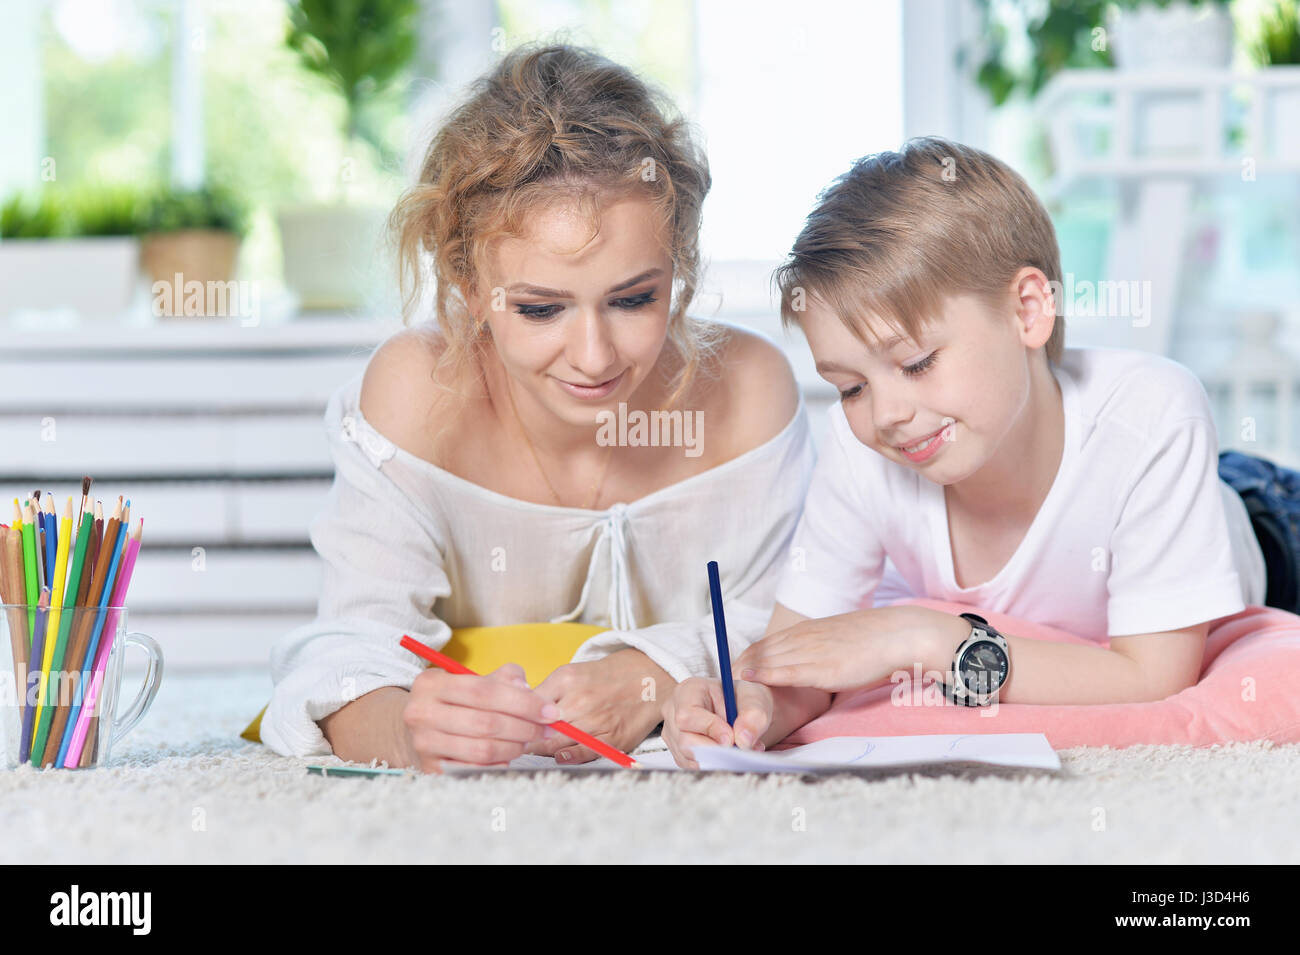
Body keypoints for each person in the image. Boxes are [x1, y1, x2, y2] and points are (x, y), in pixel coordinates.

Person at [260, 43, 814, 772]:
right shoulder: (416, 394)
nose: (593, 355)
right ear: (466, 289)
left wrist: (646, 675)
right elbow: (352, 647)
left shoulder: (748, 391)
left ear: (679, 266)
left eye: (634, 298)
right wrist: (408, 731)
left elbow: (802, 631)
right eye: (540, 308)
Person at [661, 136, 1295, 768]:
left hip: (1268, 521)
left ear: (1027, 311)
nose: (886, 415)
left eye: (916, 362)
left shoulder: (1152, 412)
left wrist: (920, 636)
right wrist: (751, 710)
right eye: (850, 388)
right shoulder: (861, 451)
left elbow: (1154, 678)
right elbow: (799, 657)